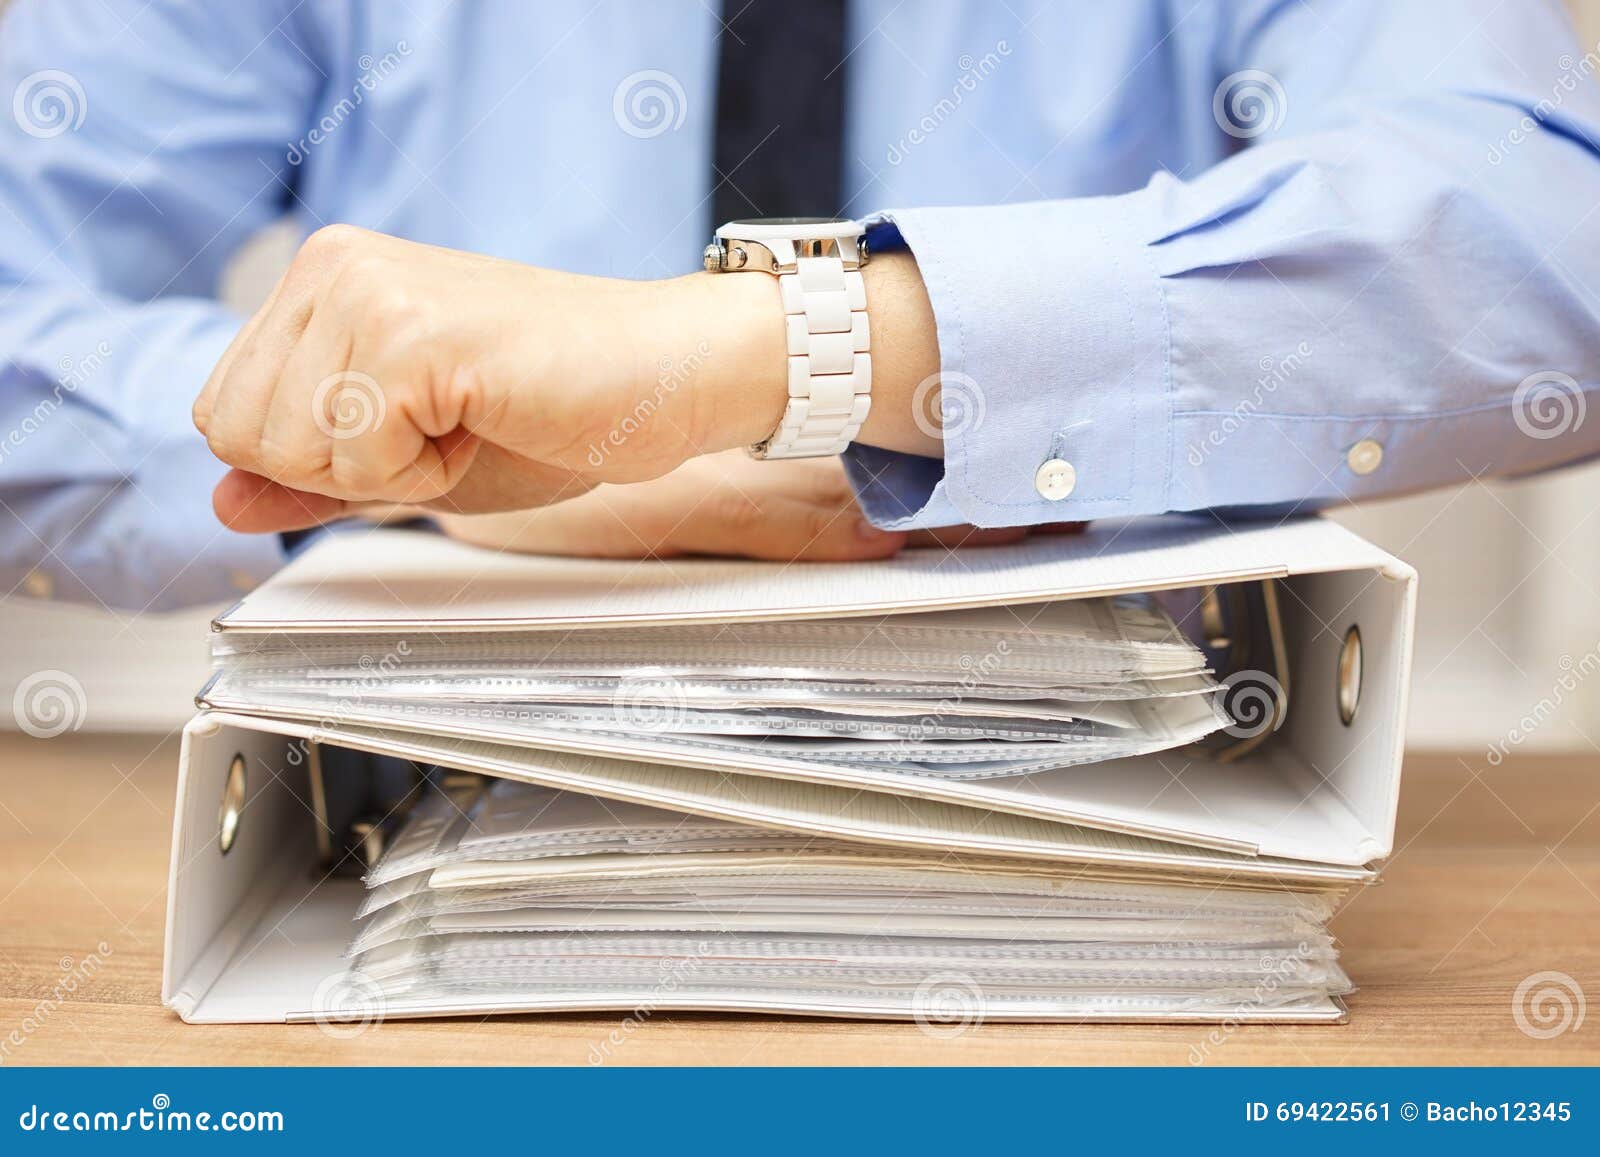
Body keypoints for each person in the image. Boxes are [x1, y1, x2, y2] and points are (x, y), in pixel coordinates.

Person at [3, 0, 1599, 611]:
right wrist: (398, 465)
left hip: (1130, 848)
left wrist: (757, 358)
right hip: (422, 850)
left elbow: (1550, 236)